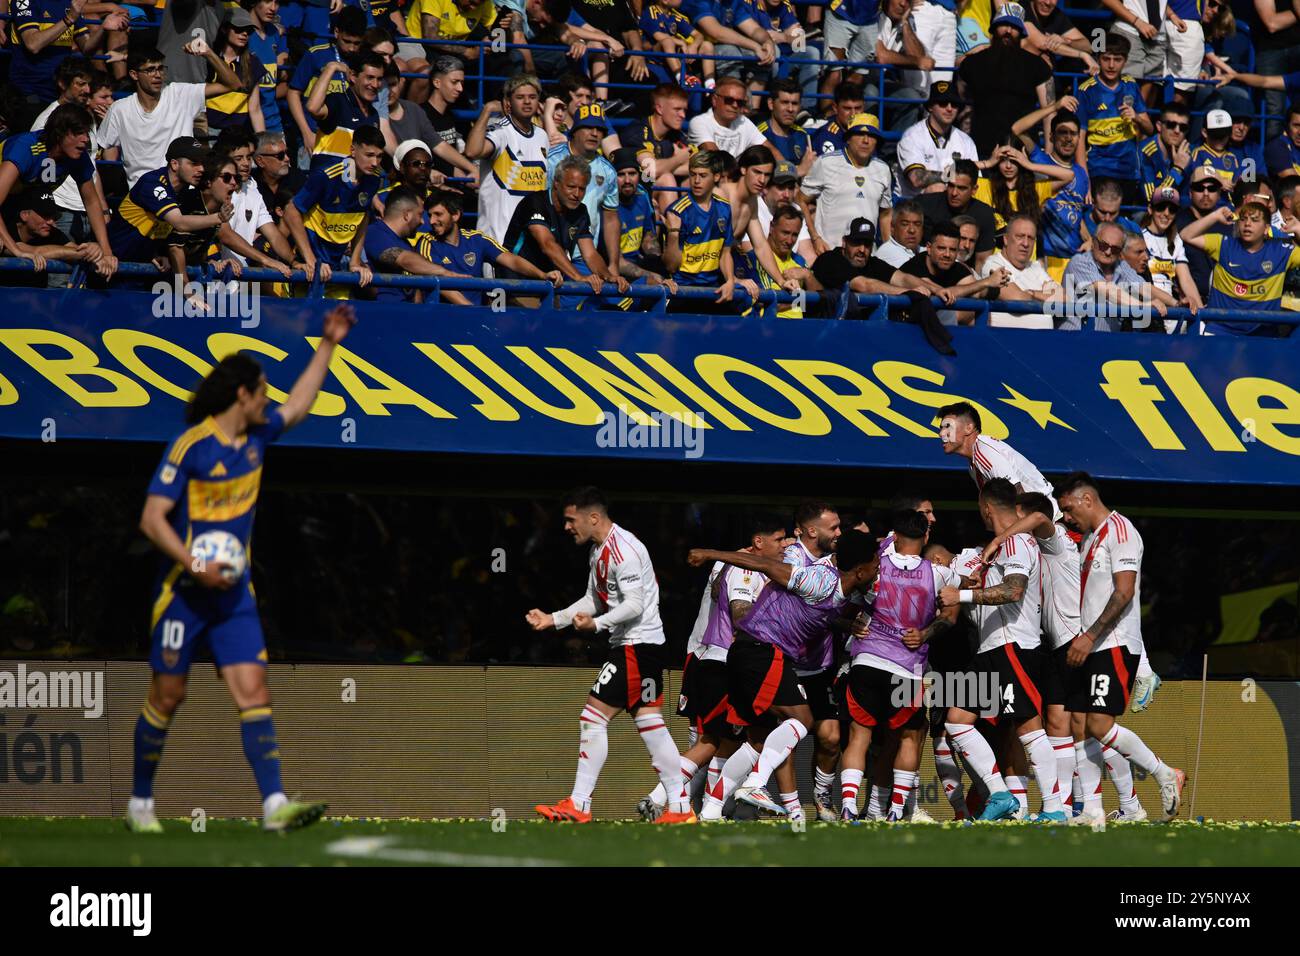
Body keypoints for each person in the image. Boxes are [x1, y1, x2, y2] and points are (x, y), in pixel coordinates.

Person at [128, 306, 358, 834]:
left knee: (254, 692)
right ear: (242, 395)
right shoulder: (191, 445)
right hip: (184, 593)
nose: (269, 401)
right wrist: (195, 563)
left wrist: (329, 343)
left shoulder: (257, 439)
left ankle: (274, 804)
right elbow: (151, 519)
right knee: (168, 695)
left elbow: (300, 405)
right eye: (263, 392)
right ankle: (141, 803)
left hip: (234, 596)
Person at [527, 487, 695, 825]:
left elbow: (633, 605)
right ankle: (680, 809)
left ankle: (579, 804)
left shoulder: (625, 550)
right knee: (651, 726)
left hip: (636, 646)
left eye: (570, 520)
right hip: (641, 648)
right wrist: (554, 619)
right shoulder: (598, 552)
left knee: (593, 718)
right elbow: (593, 598)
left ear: (593, 517)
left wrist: (597, 625)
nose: (566, 527)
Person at [686, 529, 881, 817]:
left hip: (752, 652)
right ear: (861, 571)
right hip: (759, 650)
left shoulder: (843, 589)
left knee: (758, 741)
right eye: (876, 566)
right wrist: (709, 553)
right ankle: (755, 782)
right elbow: (766, 566)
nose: (879, 571)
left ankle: (712, 809)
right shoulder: (819, 580)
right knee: (802, 719)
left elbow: (823, 613)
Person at [1056, 471, 1186, 824]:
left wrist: (1090, 637)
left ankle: (1164, 772)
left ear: (1087, 499)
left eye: (1068, 509)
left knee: (1099, 724)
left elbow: (1124, 592)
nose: (1067, 517)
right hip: (1091, 643)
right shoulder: (1090, 539)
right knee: (1080, 725)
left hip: (1110, 643)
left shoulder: (1122, 531)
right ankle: (1093, 811)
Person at [644, 513, 788, 822]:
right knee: (724, 741)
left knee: (718, 740)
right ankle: (674, 801)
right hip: (724, 662)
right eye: (779, 540)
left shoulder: (740, 563)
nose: (784, 546)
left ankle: (687, 805)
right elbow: (740, 614)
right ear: (758, 542)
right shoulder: (744, 569)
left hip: (712, 659)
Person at [938, 478, 1066, 823]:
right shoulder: (997, 548)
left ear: (986, 507)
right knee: (957, 721)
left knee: (1028, 728)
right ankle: (999, 793)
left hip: (1014, 646)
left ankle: (1054, 810)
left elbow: (1013, 591)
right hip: (990, 648)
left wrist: (961, 596)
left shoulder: (1017, 542)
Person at [840, 509, 960, 821]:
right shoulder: (939, 574)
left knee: (859, 735)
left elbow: (844, 599)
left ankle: (848, 806)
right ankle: (895, 811)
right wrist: (924, 633)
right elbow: (949, 617)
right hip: (908, 669)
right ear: (927, 537)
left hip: (867, 660)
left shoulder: (875, 567)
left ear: (894, 535)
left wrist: (849, 623)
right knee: (909, 736)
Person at [99, 43, 243, 187]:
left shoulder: (180, 94)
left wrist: (208, 53)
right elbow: (102, 147)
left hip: (181, 192)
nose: (157, 75)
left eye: (161, 69)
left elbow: (233, 84)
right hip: (141, 196)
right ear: (134, 74)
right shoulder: (120, 109)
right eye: (150, 70)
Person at [0, 103, 116, 279]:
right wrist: (16, 250)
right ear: (60, 133)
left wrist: (106, 252)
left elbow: (92, 201)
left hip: (15, 204)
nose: (86, 139)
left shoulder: (78, 157)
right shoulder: (25, 148)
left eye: (87, 133)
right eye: (79, 133)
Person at [501, 155, 629, 309]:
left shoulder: (580, 211)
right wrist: (578, 277)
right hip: (516, 280)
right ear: (556, 183)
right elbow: (547, 244)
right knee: (532, 329)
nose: (577, 194)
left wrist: (608, 276)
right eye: (571, 186)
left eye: (582, 189)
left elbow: (590, 253)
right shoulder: (535, 202)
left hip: (548, 282)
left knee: (552, 329)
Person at [283, 125, 385, 294]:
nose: (375, 163)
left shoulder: (375, 179)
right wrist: (311, 260)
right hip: (308, 271)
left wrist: (354, 263)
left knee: (339, 319)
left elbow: (363, 216)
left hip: (337, 269)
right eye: (369, 155)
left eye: (380, 156)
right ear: (353, 150)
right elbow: (291, 211)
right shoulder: (326, 175)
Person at [105, 136, 232, 269]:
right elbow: (180, 223)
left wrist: (160, 253)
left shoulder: (183, 192)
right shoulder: (153, 183)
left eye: (202, 163)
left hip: (140, 267)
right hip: (113, 263)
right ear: (174, 164)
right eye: (194, 163)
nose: (201, 168)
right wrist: (218, 218)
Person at [1180, 201, 1300, 335]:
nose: (1247, 224)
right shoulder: (1223, 245)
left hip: (1263, 333)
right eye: (1243, 219)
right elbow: (1186, 235)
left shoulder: (1281, 251)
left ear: (1266, 228)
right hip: (1219, 330)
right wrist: (1215, 215)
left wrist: (1299, 229)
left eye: (1254, 220)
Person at [423, 189, 562, 303]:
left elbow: (512, 260)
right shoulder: (427, 243)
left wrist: (542, 275)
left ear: (455, 215)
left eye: (438, 214)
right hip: (446, 317)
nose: (432, 221)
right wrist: (471, 310)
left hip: (477, 317)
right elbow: (441, 284)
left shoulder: (476, 239)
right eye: (430, 215)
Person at [956, 4, 1055, 156]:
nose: (1008, 31)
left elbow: (1049, 111)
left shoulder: (1037, 65)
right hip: (982, 150)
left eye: (1014, 27)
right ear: (994, 28)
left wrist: (1049, 153)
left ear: (1021, 32)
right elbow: (962, 106)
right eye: (1003, 24)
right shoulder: (973, 63)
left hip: (1023, 151)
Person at [465, 74, 548, 244]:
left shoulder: (542, 135)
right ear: (508, 102)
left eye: (532, 97)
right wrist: (487, 110)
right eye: (520, 97)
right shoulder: (500, 132)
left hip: (529, 242)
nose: (527, 102)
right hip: (496, 240)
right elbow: (472, 151)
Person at [799, 112, 893, 258]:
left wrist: (887, 250)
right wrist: (815, 238)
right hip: (830, 252)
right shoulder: (826, 163)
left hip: (866, 255)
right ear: (848, 138)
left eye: (871, 136)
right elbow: (800, 199)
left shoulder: (883, 169)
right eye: (860, 134)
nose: (866, 140)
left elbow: (886, 213)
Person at [1074, 33, 1153, 205]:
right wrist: (1084, 181)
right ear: (1098, 58)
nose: (1111, 65)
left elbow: (1150, 128)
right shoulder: (1086, 91)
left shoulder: (1130, 85)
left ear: (1125, 61)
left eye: (1117, 59)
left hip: (1129, 171)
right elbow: (1079, 139)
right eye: (1106, 58)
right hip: (1099, 169)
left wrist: (1137, 118)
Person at [663, 151, 743, 313]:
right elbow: (671, 266)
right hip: (683, 290)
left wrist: (729, 281)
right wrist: (673, 232)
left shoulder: (724, 208)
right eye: (693, 175)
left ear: (716, 177)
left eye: (703, 175)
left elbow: (725, 253)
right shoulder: (678, 211)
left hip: (712, 290)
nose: (696, 181)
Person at [547, 103, 622, 273]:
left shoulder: (608, 171)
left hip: (586, 256)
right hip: (549, 252)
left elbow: (611, 219)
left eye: (599, 129)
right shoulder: (551, 160)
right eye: (588, 127)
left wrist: (614, 264)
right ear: (574, 131)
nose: (594, 133)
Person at [286, 8, 366, 159]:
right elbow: (293, 93)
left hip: (350, 138)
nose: (351, 48)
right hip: (315, 135)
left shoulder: (363, 61)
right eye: (347, 41)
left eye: (357, 43)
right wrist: (306, 132)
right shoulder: (316, 55)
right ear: (336, 32)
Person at [1062, 220, 1169, 331]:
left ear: (1120, 251)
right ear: (1093, 242)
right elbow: (1107, 291)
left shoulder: (1121, 265)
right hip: (1074, 340)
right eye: (1103, 246)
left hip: (1107, 343)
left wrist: (1176, 303)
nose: (1108, 252)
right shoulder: (1079, 261)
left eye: (1115, 249)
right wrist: (1142, 305)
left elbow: (1144, 287)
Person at [900, 221, 1010, 324]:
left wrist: (995, 284)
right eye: (941, 248)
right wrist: (986, 282)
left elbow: (977, 291)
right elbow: (940, 293)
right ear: (929, 248)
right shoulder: (915, 265)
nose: (947, 254)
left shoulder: (957, 268)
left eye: (952, 250)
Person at [303, 50, 396, 168]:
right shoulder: (337, 102)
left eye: (379, 79)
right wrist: (331, 68)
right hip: (327, 184)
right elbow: (312, 107)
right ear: (352, 76)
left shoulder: (373, 115)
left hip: (356, 185)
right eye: (370, 78)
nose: (375, 84)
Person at [613, 83, 691, 216]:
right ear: (659, 109)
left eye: (684, 110)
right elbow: (650, 171)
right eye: (677, 109)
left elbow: (698, 166)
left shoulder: (676, 135)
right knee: (667, 178)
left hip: (651, 187)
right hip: (632, 191)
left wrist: (665, 165)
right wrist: (678, 159)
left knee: (695, 179)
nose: (683, 115)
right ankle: (673, 231)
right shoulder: (636, 132)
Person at [895, 81, 979, 199]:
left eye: (954, 104)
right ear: (930, 107)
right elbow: (916, 178)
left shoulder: (965, 141)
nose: (949, 108)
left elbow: (975, 180)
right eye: (943, 103)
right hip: (911, 205)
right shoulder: (912, 136)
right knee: (938, 188)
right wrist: (956, 176)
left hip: (951, 203)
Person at [973, 134, 1075, 231]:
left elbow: (1069, 175)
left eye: (1014, 160)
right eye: (1003, 160)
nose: (1008, 166)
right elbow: (957, 170)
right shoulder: (983, 186)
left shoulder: (1035, 189)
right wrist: (988, 162)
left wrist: (1029, 165)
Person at [980, 212, 1061, 328]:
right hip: (1007, 340)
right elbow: (1016, 298)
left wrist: (1030, 293)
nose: (1026, 243)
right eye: (1020, 236)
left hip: (1043, 340)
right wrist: (1044, 296)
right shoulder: (994, 264)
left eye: (1031, 238)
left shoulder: (1036, 267)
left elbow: (1062, 298)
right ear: (1006, 239)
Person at [915, 158, 998, 270]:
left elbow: (982, 261)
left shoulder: (984, 214)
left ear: (974, 190)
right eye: (951, 186)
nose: (954, 193)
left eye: (961, 188)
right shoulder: (924, 205)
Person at [1141, 185, 1203, 314]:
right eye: (1160, 207)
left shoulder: (1176, 240)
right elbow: (1140, 284)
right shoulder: (1139, 237)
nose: (1166, 213)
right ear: (1150, 209)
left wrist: (1201, 312)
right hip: (1148, 306)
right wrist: (1175, 303)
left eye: (1172, 209)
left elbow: (1185, 278)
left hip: (1172, 308)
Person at [687, 77, 768, 156]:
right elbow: (716, 158)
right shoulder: (699, 122)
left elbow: (769, 148)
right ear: (714, 100)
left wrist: (781, 167)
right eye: (729, 100)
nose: (735, 105)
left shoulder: (743, 121)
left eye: (740, 102)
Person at [759, 78, 813, 178]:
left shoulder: (803, 135)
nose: (790, 109)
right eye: (784, 102)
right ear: (771, 104)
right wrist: (799, 170)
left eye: (795, 103)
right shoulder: (759, 135)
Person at [1137, 103, 1193, 201]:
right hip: (1146, 213)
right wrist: (1177, 169)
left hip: (1174, 210)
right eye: (1171, 125)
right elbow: (1151, 198)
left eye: (1183, 127)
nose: (1177, 131)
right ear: (1159, 126)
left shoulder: (1186, 153)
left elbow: (1187, 195)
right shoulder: (1146, 152)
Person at [810, 80, 865, 156]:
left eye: (858, 108)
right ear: (835, 108)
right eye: (847, 108)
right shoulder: (825, 137)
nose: (853, 114)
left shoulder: (869, 135)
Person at [874, 198, 924, 268]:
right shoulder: (888, 252)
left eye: (917, 224)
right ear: (892, 227)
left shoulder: (925, 251)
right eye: (905, 224)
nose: (912, 230)